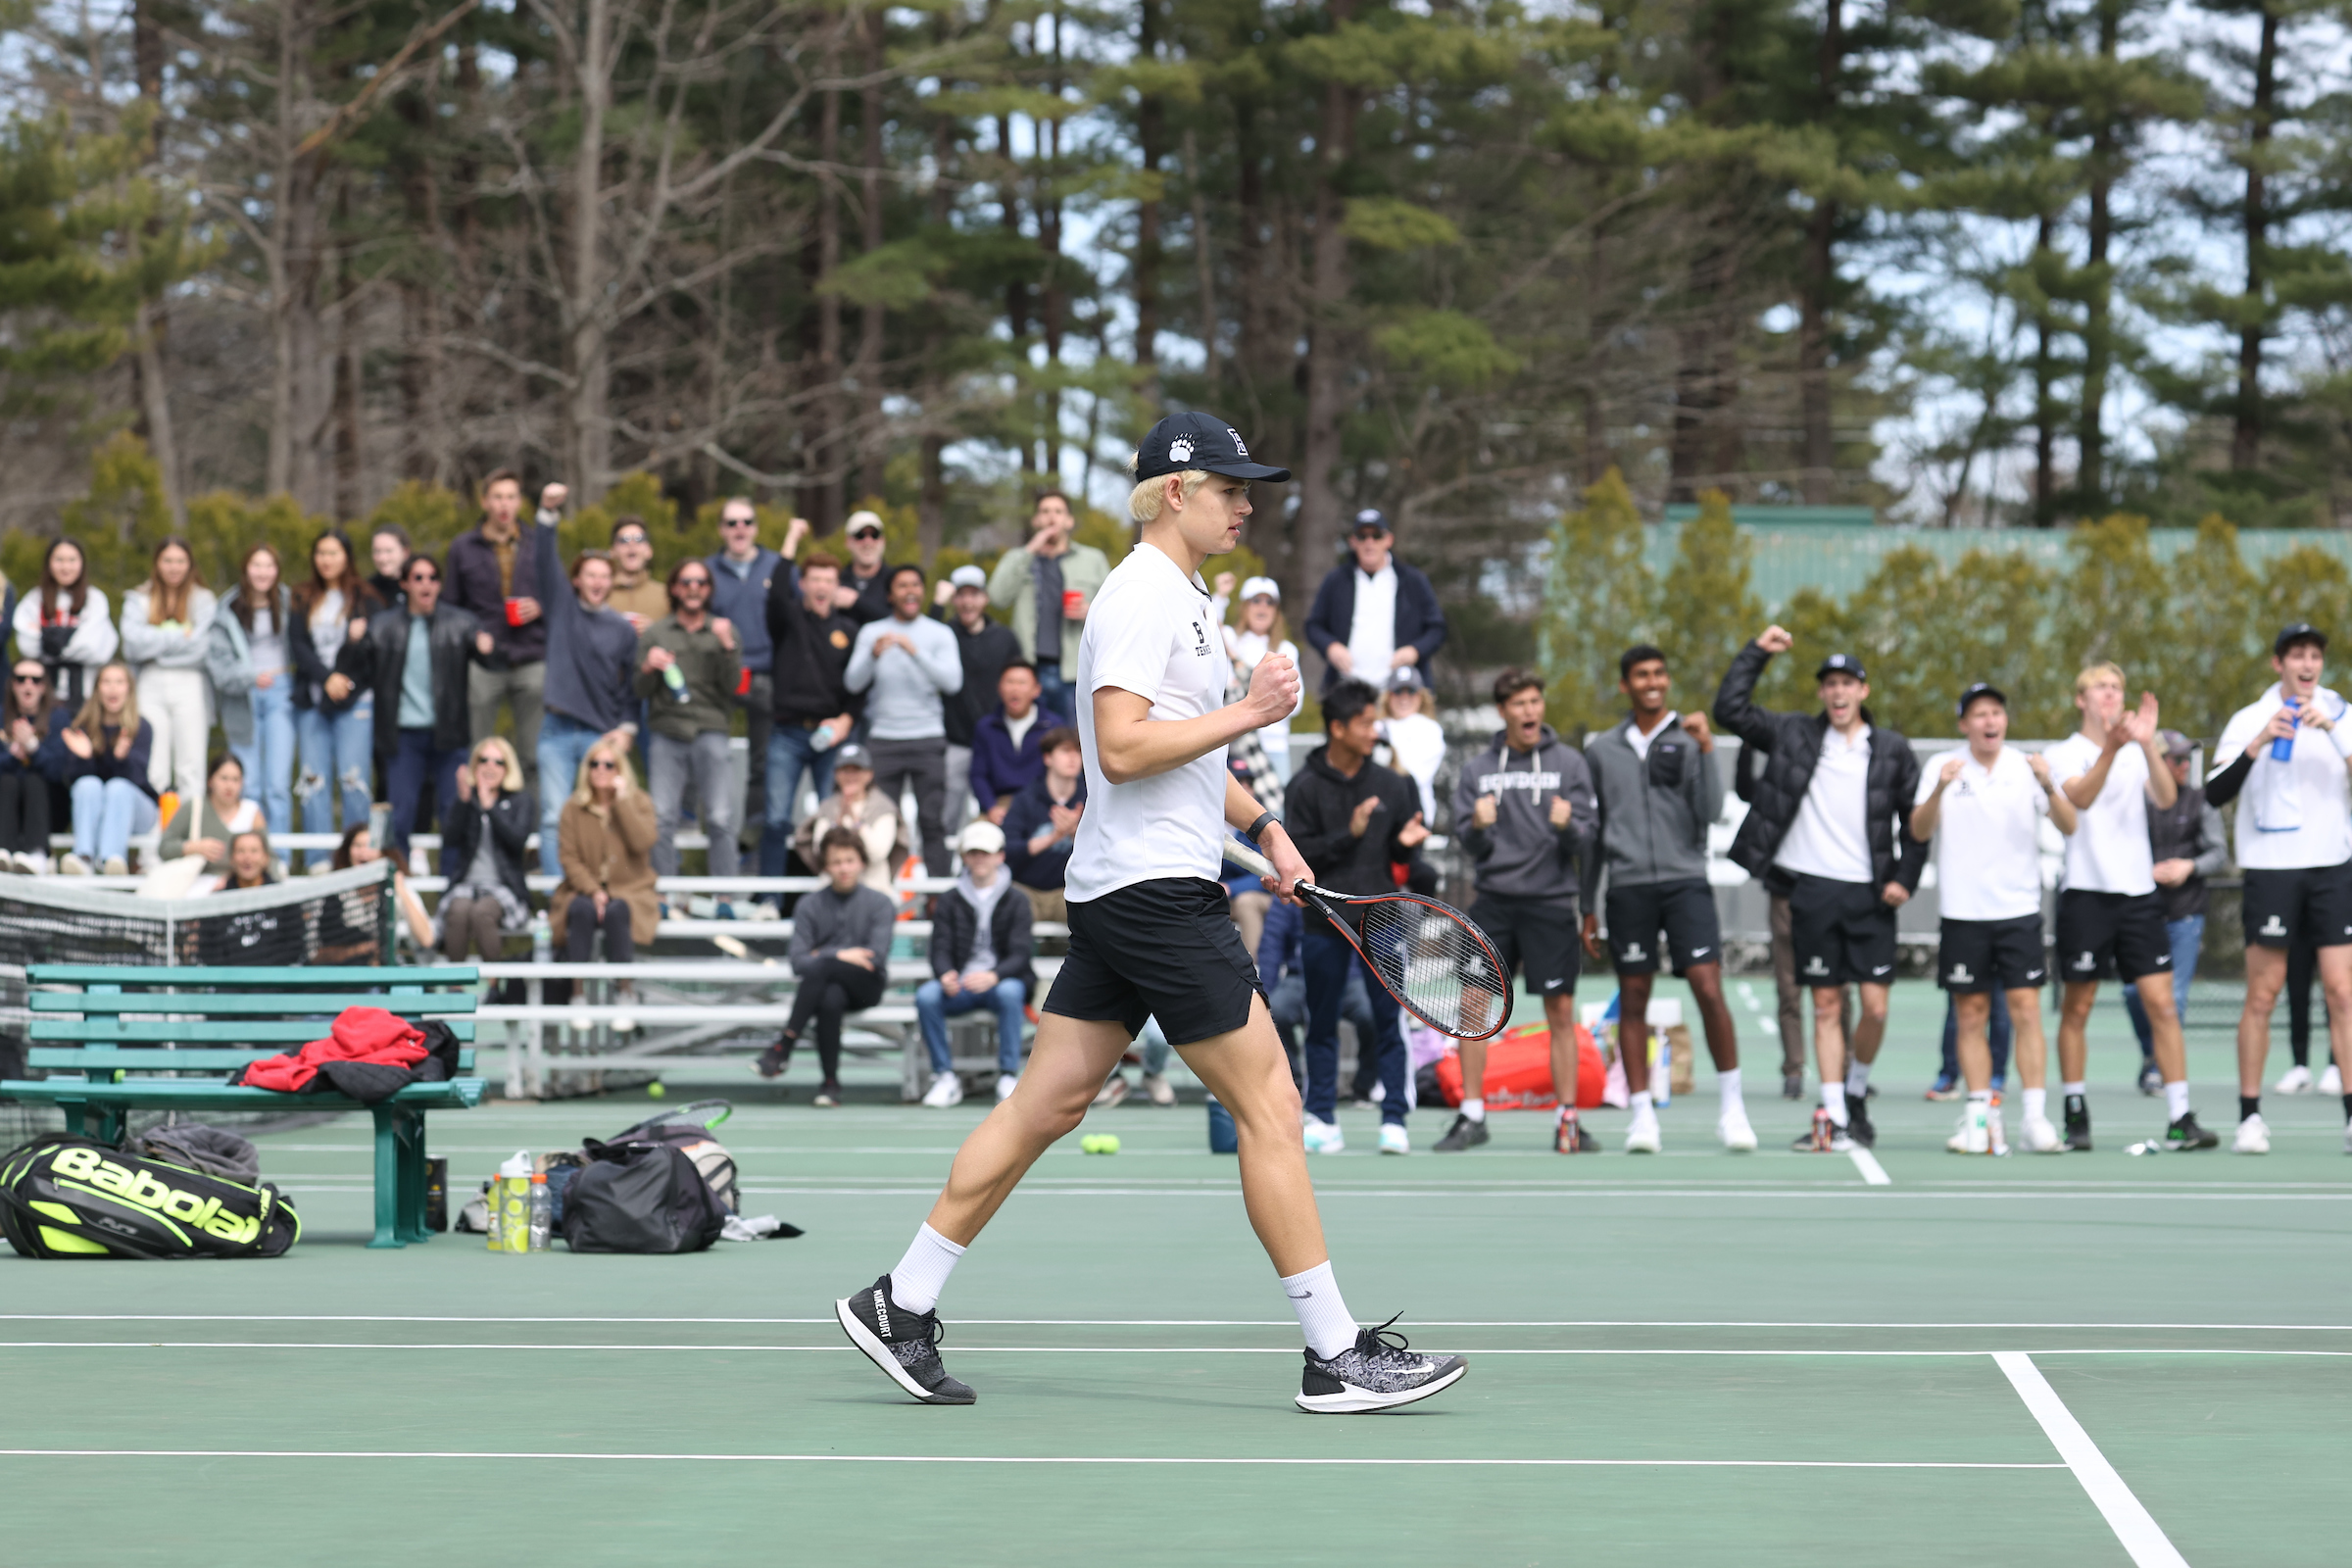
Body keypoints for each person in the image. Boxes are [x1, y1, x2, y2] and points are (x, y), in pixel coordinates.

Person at [834, 411, 1466, 1415]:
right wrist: (1256, 714)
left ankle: (900, 1301)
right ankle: (1335, 1352)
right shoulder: (1138, 597)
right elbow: (1121, 748)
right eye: (1230, 488)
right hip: (1157, 897)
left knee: (1046, 1105)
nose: (1246, 504)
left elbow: (1183, 751)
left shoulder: (1185, 598)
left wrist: (1267, 826)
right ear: (1177, 491)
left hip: (1128, 889)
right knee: (1273, 1108)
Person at [1713, 631, 1925, 1152]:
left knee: (1874, 1008)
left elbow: (1917, 825)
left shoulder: (1893, 749)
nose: (1838, 693)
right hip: (1809, 889)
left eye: (1847, 683)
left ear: (1863, 691)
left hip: (1871, 894)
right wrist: (1757, 651)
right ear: (1821, 692)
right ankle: (1831, 1113)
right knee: (1826, 1006)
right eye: (1829, 684)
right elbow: (1730, 709)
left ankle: (1854, 1091)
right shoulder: (1793, 734)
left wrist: (1905, 877)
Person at [1580, 644, 1753, 1153]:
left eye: (1659, 673)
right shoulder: (1602, 750)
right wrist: (1587, 904)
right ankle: (1642, 1118)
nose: (1652, 682)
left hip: (1685, 882)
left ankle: (1732, 1111)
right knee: (1632, 999)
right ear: (1625, 685)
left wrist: (1705, 750)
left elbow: (1712, 810)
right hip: (1628, 887)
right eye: (1641, 675)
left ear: (1667, 680)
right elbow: (1592, 835)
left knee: (1707, 987)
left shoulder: (1689, 736)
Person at [2046, 661, 2210, 1152]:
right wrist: (2114, 749)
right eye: (2101, 687)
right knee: (2078, 1006)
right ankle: (2075, 1110)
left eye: (2117, 687)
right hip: (2085, 894)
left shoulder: (2137, 748)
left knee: (2162, 1004)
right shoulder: (2064, 753)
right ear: (2082, 699)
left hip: (2138, 897)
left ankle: (2180, 1114)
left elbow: (2165, 797)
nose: (2111, 694)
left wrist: (2144, 743)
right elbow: (2080, 800)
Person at [1909, 683, 2079, 1154]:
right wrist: (1942, 786)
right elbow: (1919, 829)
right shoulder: (1942, 767)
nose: (1989, 721)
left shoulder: (2027, 767)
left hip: (2018, 911)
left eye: (1996, 713)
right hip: (1963, 913)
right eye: (1979, 714)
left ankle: (2034, 1119)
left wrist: (2048, 782)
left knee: (2026, 1012)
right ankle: (1978, 1119)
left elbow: (2069, 824)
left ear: (2005, 720)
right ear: (1964, 724)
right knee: (1970, 1016)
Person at [1435, 667, 1598, 1154]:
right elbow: (1468, 842)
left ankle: (1567, 1120)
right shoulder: (1478, 768)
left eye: (1535, 701)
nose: (1530, 711)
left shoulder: (1570, 764)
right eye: (1519, 704)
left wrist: (1569, 828)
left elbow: (1587, 837)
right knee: (1472, 1009)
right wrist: (1480, 827)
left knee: (1561, 1010)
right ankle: (1472, 1115)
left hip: (1550, 901)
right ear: (1504, 711)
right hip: (1495, 902)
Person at [2203, 624, 2352, 1154]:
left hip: (2331, 868)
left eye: (2315, 655)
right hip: (2271, 870)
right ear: (2279, 665)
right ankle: (2250, 1118)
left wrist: (2333, 730)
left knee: (2342, 992)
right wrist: (2258, 742)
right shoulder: (2249, 717)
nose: (2307, 664)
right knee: (2263, 995)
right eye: (2296, 656)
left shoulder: (2342, 712)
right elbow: (2213, 791)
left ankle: (2350, 1118)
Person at [1285, 677, 1426, 1155]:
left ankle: (1395, 1121)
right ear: (1338, 728)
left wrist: (1408, 850)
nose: (1375, 730)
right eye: (1366, 722)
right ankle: (1323, 1117)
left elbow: (1407, 863)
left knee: (1389, 1020)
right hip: (1323, 920)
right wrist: (1349, 833)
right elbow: (1300, 859)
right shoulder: (1302, 787)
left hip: (1383, 920)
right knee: (1321, 1021)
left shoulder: (1394, 784)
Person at [525, 483, 642, 876]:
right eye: (589, 575)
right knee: (553, 817)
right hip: (556, 731)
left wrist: (626, 729)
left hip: (599, 735)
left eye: (603, 576)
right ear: (576, 580)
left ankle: (598, 893)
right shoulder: (561, 609)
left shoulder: (622, 630)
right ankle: (558, 896)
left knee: (600, 819)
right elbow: (544, 560)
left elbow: (630, 690)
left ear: (611, 582)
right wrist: (547, 514)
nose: (596, 582)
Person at [337, 554, 479, 859]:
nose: (426, 584)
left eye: (432, 578)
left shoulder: (461, 622)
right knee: (399, 815)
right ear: (404, 584)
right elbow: (354, 670)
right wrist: (352, 643)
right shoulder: (383, 626)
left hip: (449, 735)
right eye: (418, 578)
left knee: (453, 812)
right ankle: (396, 888)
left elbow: (496, 660)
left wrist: (487, 645)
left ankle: (452, 891)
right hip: (403, 736)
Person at [759, 824, 898, 1105]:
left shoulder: (881, 903)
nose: (843, 868)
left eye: (849, 861)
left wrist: (824, 954)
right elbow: (798, 962)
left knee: (823, 969)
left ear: (861, 863)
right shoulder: (809, 904)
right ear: (825, 866)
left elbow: (875, 958)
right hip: (823, 988)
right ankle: (830, 1084)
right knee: (830, 996)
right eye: (836, 862)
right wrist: (841, 955)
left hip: (866, 986)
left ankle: (784, 1044)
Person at [844, 564, 962, 875]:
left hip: (927, 738)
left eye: (915, 584)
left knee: (932, 820)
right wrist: (871, 655)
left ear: (922, 592)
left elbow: (953, 683)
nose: (910, 590)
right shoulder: (872, 632)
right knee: (883, 821)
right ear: (890, 594)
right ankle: (884, 896)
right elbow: (852, 683)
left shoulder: (940, 633)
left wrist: (915, 652)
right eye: (902, 586)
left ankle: (937, 902)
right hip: (883, 739)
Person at [2129, 729, 2226, 1097]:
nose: (2184, 766)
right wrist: (2146, 870)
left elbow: (2218, 854)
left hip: (2186, 913)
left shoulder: (2201, 801)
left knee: (2175, 996)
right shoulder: (2136, 801)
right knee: (2131, 993)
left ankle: (2160, 1067)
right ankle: (2152, 1054)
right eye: (2177, 759)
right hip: (2143, 912)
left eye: (2187, 759)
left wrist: (2188, 867)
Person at [709, 502, 806, 861]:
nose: (739, 528)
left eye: (746, 521)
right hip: (721, 677)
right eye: (731, 522)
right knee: (709, 754)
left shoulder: (774, 567)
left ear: (756, 527)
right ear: (721, 529)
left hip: (767, 674)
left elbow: (795, 613)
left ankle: (752, 833)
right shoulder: (707, 571)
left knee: (763, 761)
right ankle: (709, 828)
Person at [915, 820, 1037, 1107]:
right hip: (961, 984)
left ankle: (1007, 1075)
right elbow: (939, 947)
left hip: (999, 983)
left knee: (1011, 992)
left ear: (1000, 855)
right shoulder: (949, 899)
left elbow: (1021, 954)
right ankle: (944, 1077)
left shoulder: (1018, 899)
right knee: (927, 996)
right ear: (964, 857)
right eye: (973, 853)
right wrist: (945, 974)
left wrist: (993, 976)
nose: (979, 859)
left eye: (985, 852)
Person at [637, 559, 742, 880]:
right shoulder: (656, 632)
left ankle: (726, 896)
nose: (693, 588)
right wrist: (647, 668)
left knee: (721, 818)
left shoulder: (724, 630)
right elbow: (639, 690)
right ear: (675, 588)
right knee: (662, 819)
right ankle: (664, 896)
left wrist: (727, 647)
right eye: (686, 582)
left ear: (709, 589)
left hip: (711, 730)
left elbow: (733, 687)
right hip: (667, 732)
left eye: (700, 582)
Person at [444, 469, 548, 787]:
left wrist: (542, 606)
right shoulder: (463, 547)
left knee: (532, 754)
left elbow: (561, 596)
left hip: (532, 657)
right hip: (484, 663)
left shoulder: (539, 544)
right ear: (485, 501)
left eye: (511, 497)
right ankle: (479, 824)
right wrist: (472, 635)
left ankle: (528, 829)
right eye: (498, 497)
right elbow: (450, 607)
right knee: (479, 752)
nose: (504, 504)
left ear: (520, 502)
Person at [763, 550, 859, 875]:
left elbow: (860, 685)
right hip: (786, 733)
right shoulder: (787, 620)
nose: (822, 586)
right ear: (803, 584)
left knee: (835, 821)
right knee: (776, 819)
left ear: (837, 588)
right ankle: (769, 902)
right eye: (815, 579)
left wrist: (847, 718)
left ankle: (831, 890)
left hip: (830, 737)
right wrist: (789, 548)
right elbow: (775, 595)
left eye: (829, 580)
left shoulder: (849, 630)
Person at [1737, 736, 1818, 1101]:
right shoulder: (1775, 790)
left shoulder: (1825, 784)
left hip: (1825, 893)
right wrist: (1748, 743)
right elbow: (1744, 789)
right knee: (1789, 987)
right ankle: (1794, 1068)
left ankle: (1847, 1067)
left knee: (1836, 989)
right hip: (1784, 892)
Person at [549, 734, 657, 1008]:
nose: (600, 770)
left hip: (630, 891)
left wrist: (622, 803)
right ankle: (577, 993)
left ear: (620, 771)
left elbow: (643, 842)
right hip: (582, 890)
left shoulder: (639, 801)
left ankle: (625, 990)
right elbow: (569, 858)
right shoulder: (573, 808)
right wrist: (594, 891)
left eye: (609, 765)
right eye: (594, 764)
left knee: (618, 911)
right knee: (580, 911)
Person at [987, 489, 1110, 719]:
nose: (1051, 517)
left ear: (1069, 520)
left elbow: (1116, 611)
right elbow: (997, 597)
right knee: (1034, 748)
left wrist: (1090, 611)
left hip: (1075, 671)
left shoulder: (1092, 559)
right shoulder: (1020, 558)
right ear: (1036, 520)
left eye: (1058, 511)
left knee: (1074, 746)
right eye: (1044, 512)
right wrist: (1031, 548)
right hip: (1029, 671)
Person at [289, 530, 380, 837]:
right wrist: (326, 678)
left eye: (333, 553)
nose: (326, 560)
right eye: (320, 553)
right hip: (313, 699)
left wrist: (345, 677)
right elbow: (298, 646)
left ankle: (357, 854)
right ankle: (319, 859)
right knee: (313, 780)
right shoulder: (302, 596)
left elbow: (373, 652)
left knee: (353, 779)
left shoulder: (365, 598)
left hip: (354, 700)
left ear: (347, 557)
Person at [203, 545, 299, 835]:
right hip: (241, 698)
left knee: (278, 785)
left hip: (281, 693)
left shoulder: (290, 602)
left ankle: (279, 856)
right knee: (250, 784)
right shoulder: (226, 609)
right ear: (245, 570)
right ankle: (251, 854)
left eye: (269, 566)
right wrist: (250, 677)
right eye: (256, 566)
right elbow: (218, 664)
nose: (263, 572)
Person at [1301, 509, 1446, 696]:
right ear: (1353, 541)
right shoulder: (1335, 580)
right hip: (1347, 689)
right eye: (1362, 536)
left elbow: (1437, 628)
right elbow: (1313, 625)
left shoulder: (1413, 580)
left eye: (1376, 535)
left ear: (1388, 540)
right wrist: (1331, 646)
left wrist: (1415, 651)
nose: (1369, 542)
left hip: (1401, 690)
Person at [118, 536, 217, 807]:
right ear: (157, 563)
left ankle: (191, 842)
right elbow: (132, 645)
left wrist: (155, 643)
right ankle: (153, 846)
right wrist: (179, 637)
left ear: (190, 564)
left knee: (191, 767)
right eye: (168, 560)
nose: (174, 567)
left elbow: (202, 646)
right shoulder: (139, 598)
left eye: (180, 561)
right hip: (150, 684)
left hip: (191, 683)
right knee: (154, 766)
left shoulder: (203, 599)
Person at [936, 564, 1019, 830]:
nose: (967, 601)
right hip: (955, 739)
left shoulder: (1004, 638)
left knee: (996, 815)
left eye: (974, 594)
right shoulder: (944, 633)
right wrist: (937, 604)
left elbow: (1020, 682)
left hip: (995, 739)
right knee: (946, 814)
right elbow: (922, 638)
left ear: (984, 598)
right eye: (961, 595)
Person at [437, 736, 535, 963]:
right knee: (458, 911)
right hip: (467, 884)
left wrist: (490, 807)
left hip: (504, 886)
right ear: (475, 765)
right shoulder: (466, 799)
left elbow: (517, 840)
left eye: (498, 762)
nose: (490, 766)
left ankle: (493, 984)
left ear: (507, 768)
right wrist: (463, 801)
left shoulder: (521, 800)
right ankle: (456, 987)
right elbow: (449, 839)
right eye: (484, 760)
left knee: (482, 913)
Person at [59, 661, 155, 875]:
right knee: (88, 784)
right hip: (97, 807)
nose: (113, 688)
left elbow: (137, 781)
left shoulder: (141, 727)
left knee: (117, 788)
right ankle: (83, 857)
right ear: (97, 689)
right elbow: (72, 781)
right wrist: (85, 758)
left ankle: (111, 859)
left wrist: (121, 759)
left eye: (119, 682)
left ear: (129, 689)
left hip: (137, 809)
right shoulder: (81, 727)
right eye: (107, 682)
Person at [1209, 573, 1304, 781]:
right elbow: (1211, 626)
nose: (1263, 607)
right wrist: (1222, 596)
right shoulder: (1232, 641)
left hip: (1274, 745)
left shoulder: (1287, 648)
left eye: (1269, 602)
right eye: (1256, 600)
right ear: (1244, 607)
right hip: (1236, 743)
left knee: (1276, 811)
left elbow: (1297, 703)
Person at [15, 537, 119, 712]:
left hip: (85, 690)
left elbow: (93, 648)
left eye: (72, 560)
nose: (66, 567)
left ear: (82, 563)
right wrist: (72, 635)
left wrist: (47, 637)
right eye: (59, 560)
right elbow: (27, 645)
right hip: (44, 691)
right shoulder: (34, 599)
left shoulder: (95, 599)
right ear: (49, 563)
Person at [794, 744, 906, 896]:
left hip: (874, 891)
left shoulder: (882, 807)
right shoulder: (828, 807)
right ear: (836, 774)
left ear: (869, 774)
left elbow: (877, 853)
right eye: (845, 770)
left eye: (857, 770)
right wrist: (839, 819)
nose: (851, 775)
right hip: (832, 893)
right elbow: (821, 852)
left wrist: (855, 819)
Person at [1002, 725, 1085, 921]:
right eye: (1065, 751)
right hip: (1026, 889)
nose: (1073, 758)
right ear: (1047, 758)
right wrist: (1054, 837)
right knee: (1013, 906)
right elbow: (1008, 849)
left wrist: (1074, 833)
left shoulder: (1091, 798)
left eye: (1078, 752)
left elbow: (1106, 851)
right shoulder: (1026, 799)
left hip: (1070, 891)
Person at [322, 822, 437, 959]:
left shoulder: (394, 890)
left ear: (382, 853)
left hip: (383, 969)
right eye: (358, 845)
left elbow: (426, 939)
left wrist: (401, 890)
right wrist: (357, 950)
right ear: (348, 851)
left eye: (371, 845)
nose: (363, 851)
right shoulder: (334, 893)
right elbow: (322, 952)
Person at [969, 662, 1064, 825]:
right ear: (999, 687)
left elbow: (1062, 773)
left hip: (1043, 806)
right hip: (1000, 804)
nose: (1015, 689)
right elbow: (978, 775)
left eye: (1022, 683)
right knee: (975, 839)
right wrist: (991, 807)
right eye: (1010, 682)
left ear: (1036, 690)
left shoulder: (1053, 726)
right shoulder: (986, 727)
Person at [0, 659, 69, 872]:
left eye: (36, 680)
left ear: (44, 686)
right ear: (12, 684)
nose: (28, 685)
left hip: (49, 809)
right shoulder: (2, 716)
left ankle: (37, 853)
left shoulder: (59, 718)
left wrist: (34, 748)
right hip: (7, 805)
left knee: (34, 780)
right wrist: (13, 755)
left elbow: (60, 772)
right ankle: (3, 850)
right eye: (21, 679)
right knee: (9, 781)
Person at [158, 753, 268, 881]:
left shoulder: (252, 811)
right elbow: (164, 848)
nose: (229, 786)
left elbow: (268, 857)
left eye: (235, 779)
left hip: (241, 889)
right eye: (224, 778)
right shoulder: (194, 807)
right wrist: (193, 847)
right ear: (210, 780)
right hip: (198, 888)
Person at [1376, 666, 1445, 824]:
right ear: (1388, 696)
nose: (1404, 698)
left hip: (1415, 815)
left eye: (1411, 691)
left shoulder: (1430, 729)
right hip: (1379, 814)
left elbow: (1417, 775)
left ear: (1421, 696)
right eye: (1398, 691)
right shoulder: (1376, 727)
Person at [605, 515, 669, 632]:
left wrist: (654, 633)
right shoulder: (599, 594)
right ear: (612, 552)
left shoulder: (667, 595)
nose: (632, 544)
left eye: (639, 539)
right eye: (624, 540)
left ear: (649, 551)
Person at [367, 524, 412, 610]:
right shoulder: (367, 589)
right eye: (377, 551)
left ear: (405, 552)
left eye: (389, 551)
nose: (382, 558)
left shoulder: (418, 583)